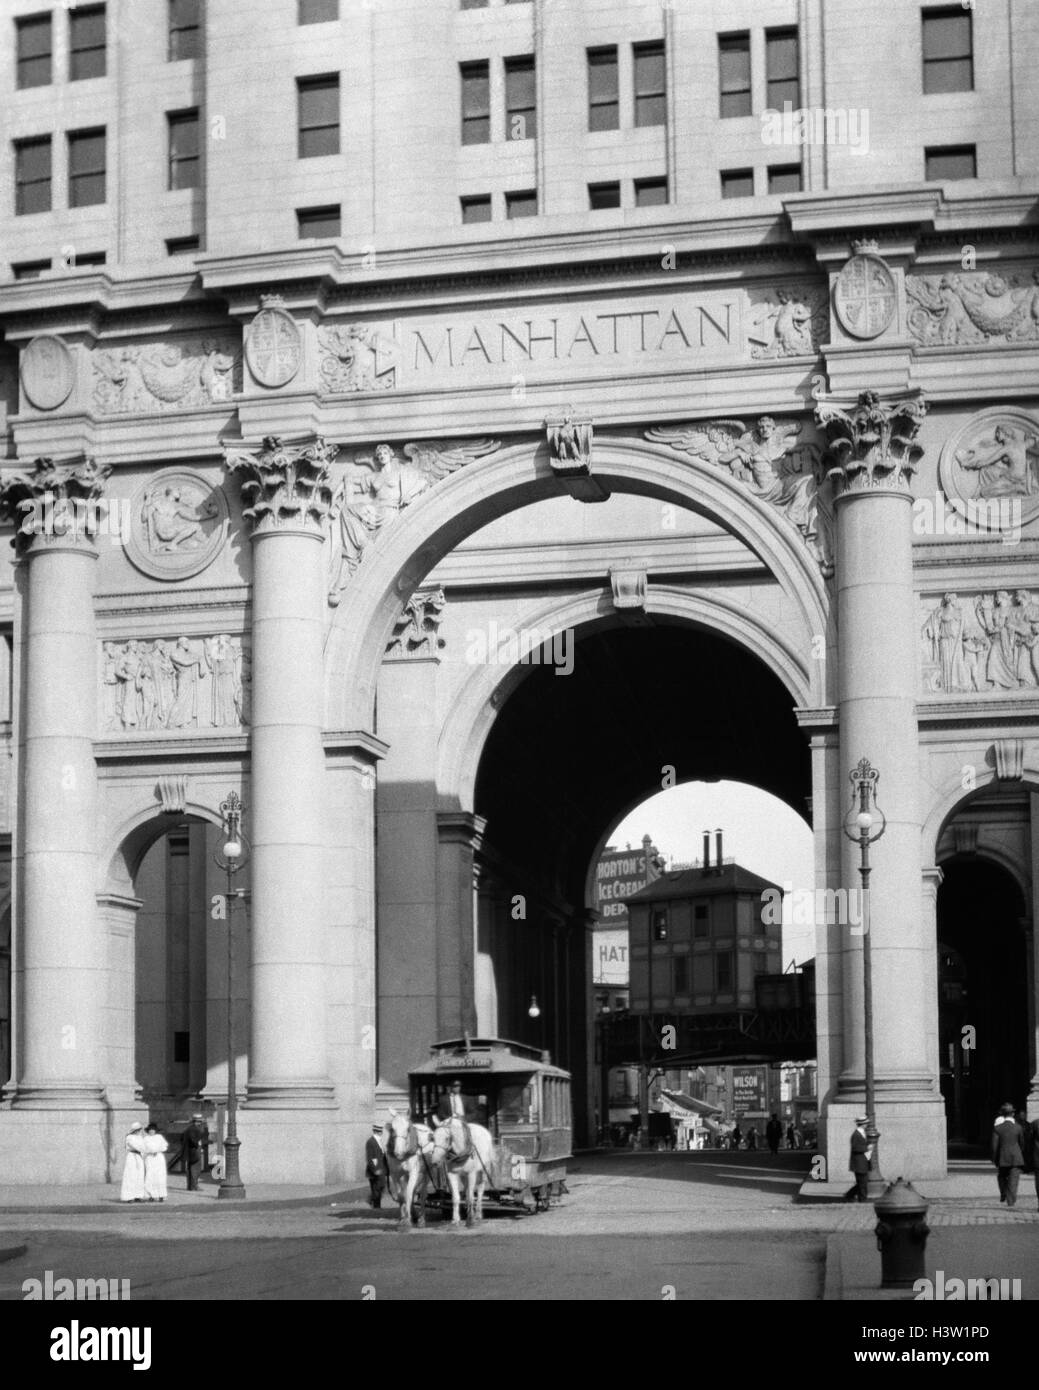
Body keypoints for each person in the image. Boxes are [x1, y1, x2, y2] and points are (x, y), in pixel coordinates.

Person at [991, 1102, 1025, 1207]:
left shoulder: (998, 1128)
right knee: (1014, 1179)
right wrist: (1020, 1154)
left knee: (1001, 1176)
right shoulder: (1018, 1127)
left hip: (1002, 1157)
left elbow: (994, 1146)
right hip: (1016, 1157)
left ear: (1002, 1114)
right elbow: (1022, 1143)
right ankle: (1011, 1201)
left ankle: (1003, 1193)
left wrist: (994, 1158)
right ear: (1013, 1114)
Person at [845, 1117, 871, 1202]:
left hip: (862, 1162)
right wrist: (867, 1148)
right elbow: (855, 1148)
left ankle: (850, 1195)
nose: (867, 1125)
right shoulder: (856, 1134)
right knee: (862, 1183)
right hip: (859, 1163)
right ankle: (862, 1200)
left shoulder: (862, 1133)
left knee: (862, 1182)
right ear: (862, 1124)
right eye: (866, 1123)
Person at [119, 1122, 147, 1203]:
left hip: (139, 1156)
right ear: (133, 1130)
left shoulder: (140, 1137)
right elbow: (137, 1146)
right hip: (132, 1156)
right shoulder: (129, 1137)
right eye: (137, 1130)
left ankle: (138, 1195)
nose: (138, 1131)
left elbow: (143, 1146)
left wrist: (144, 1149)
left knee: (139, 1175)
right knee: (131, 1175)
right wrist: (144, 1149)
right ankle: (129, 1196)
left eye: (139, 1129)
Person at [143, 1122, 169, 1202]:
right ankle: (151, 1195)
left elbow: (165, 1146)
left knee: (160, 1176)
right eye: (150, 1130)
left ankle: (161, 1195)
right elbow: (142, 1148)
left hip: (158, 1158)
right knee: (150, 1176)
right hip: (149, 1158)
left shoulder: (159, 1137)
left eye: (153, 1130)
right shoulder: (145, 1138)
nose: (151, 1131)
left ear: (155, 1131)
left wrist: (157, 1150)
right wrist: (149, 1152)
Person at [179, 1113, 206, 1191]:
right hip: (194, 1151)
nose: (200, 1123)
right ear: (197, 1122)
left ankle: (190, 1186)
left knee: (190, 1169)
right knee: (195, 1169)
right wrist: (198, 1144)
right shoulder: (194, 1129)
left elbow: (181, 1138)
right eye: (200, 1122)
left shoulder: (188, 1129)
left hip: (190, 1151)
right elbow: (193, 1140)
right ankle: (194, 1186)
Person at [365, 1125, 388, 1208]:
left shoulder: (379, 1141)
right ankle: (376, 1205)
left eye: (381, 1131)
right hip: (375, 1169)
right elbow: (370, 1157)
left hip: (381, 1168)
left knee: (381, 1186)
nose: (381, 1133)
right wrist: (375, 1169)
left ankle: (373, 1201)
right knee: (377, 1187)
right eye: (379, 1131)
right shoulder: (371, 1142)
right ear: (376, 1131)